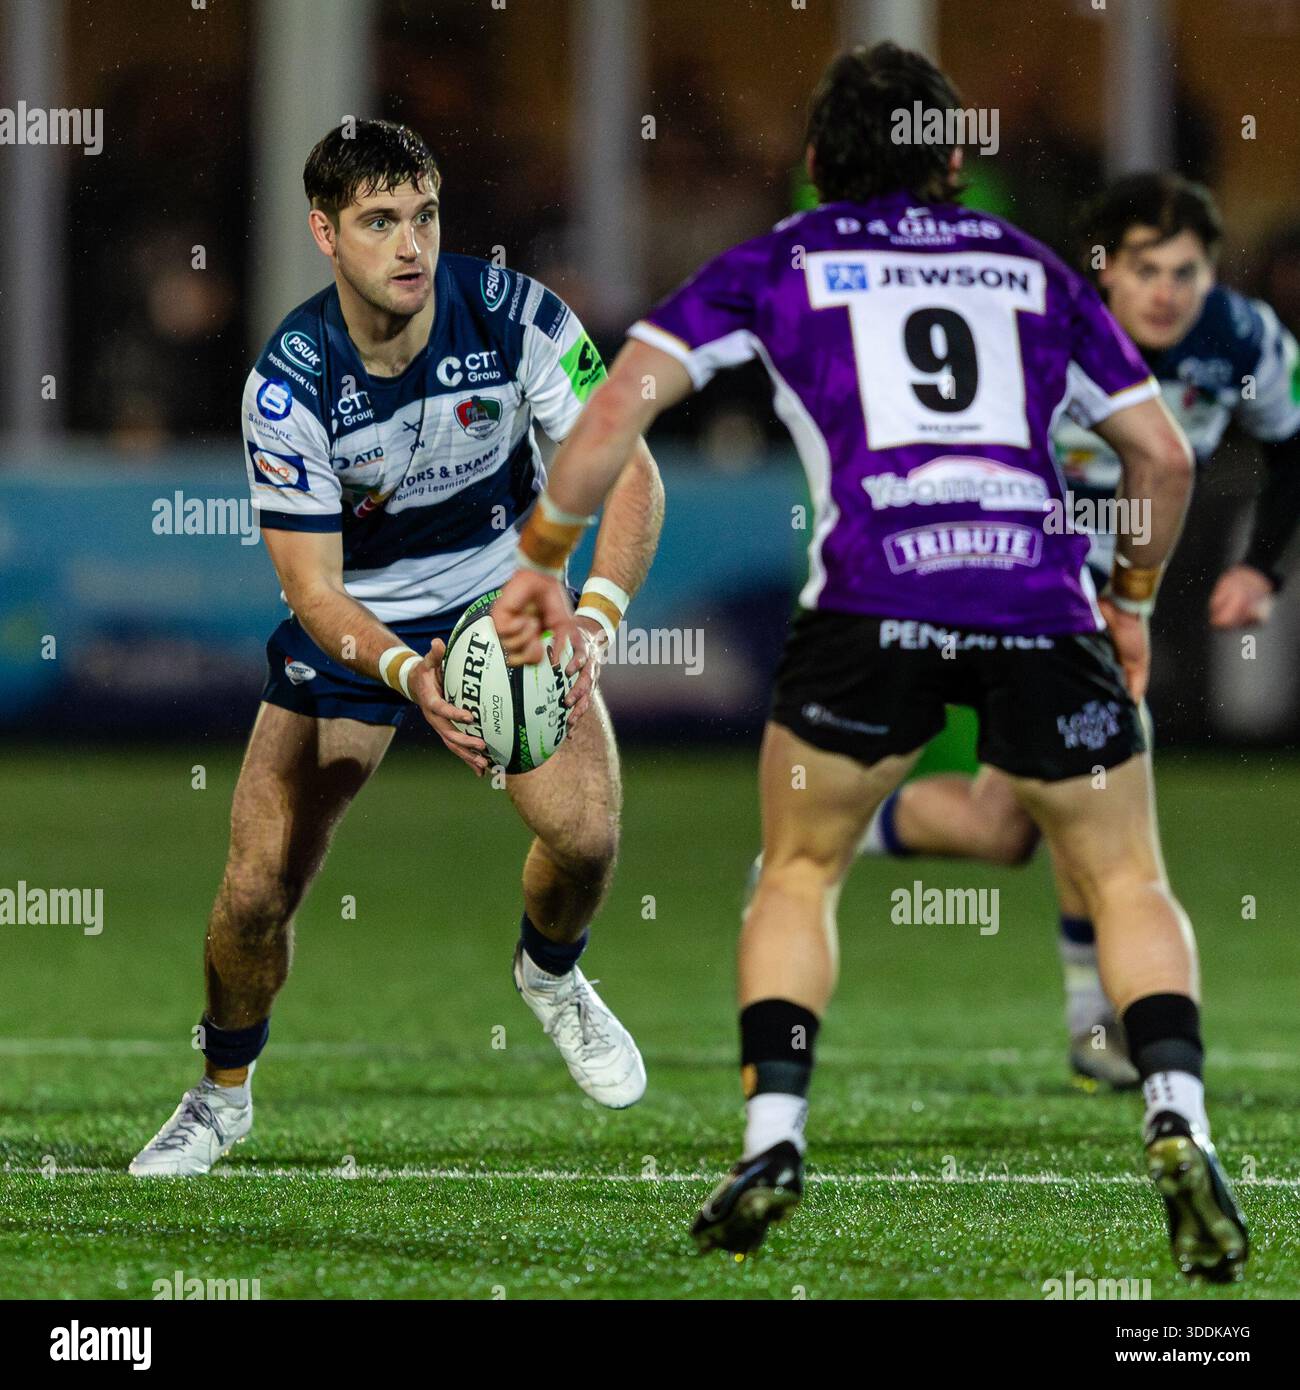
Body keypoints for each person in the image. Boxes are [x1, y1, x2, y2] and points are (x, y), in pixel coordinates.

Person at [493, 45, 1248, 1280]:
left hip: (867, 604)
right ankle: (1175, 1113)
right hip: (1035, 595)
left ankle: (773, 1134)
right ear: (954, 160)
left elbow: (616, 406)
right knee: (1123, 879)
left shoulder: (779, 263)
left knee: (796, 867)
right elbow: (1160, 459)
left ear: (812, 166)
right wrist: (1131, 602)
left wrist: (542, 556)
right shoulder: (1031, 267)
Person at [130, 120, 661, 1177]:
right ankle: (222, 1092)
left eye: (422, 216)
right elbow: (312, 590)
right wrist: (412, 674)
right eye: (379, 222)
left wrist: (593, 616)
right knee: (254, 890)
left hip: (500, 597)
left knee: (589, 838)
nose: (410, 243)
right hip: (359, 623)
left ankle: (551, 975)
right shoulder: (288, 382)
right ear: (326, 235)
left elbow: (629, 470)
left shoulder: (517, 317)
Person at [856, 173, 1300, 1088]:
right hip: (1015, 580)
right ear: (1103, 271)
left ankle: (820, 830)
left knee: (1001, 827)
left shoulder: (1245, 338)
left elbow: (1293, 443)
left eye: (1187, 270)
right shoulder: (1035, 329)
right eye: (1146, 269)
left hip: (1112, 589)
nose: (1169, 292)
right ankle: (1097, 1022)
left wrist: (1263, 566)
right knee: (1104, 763)